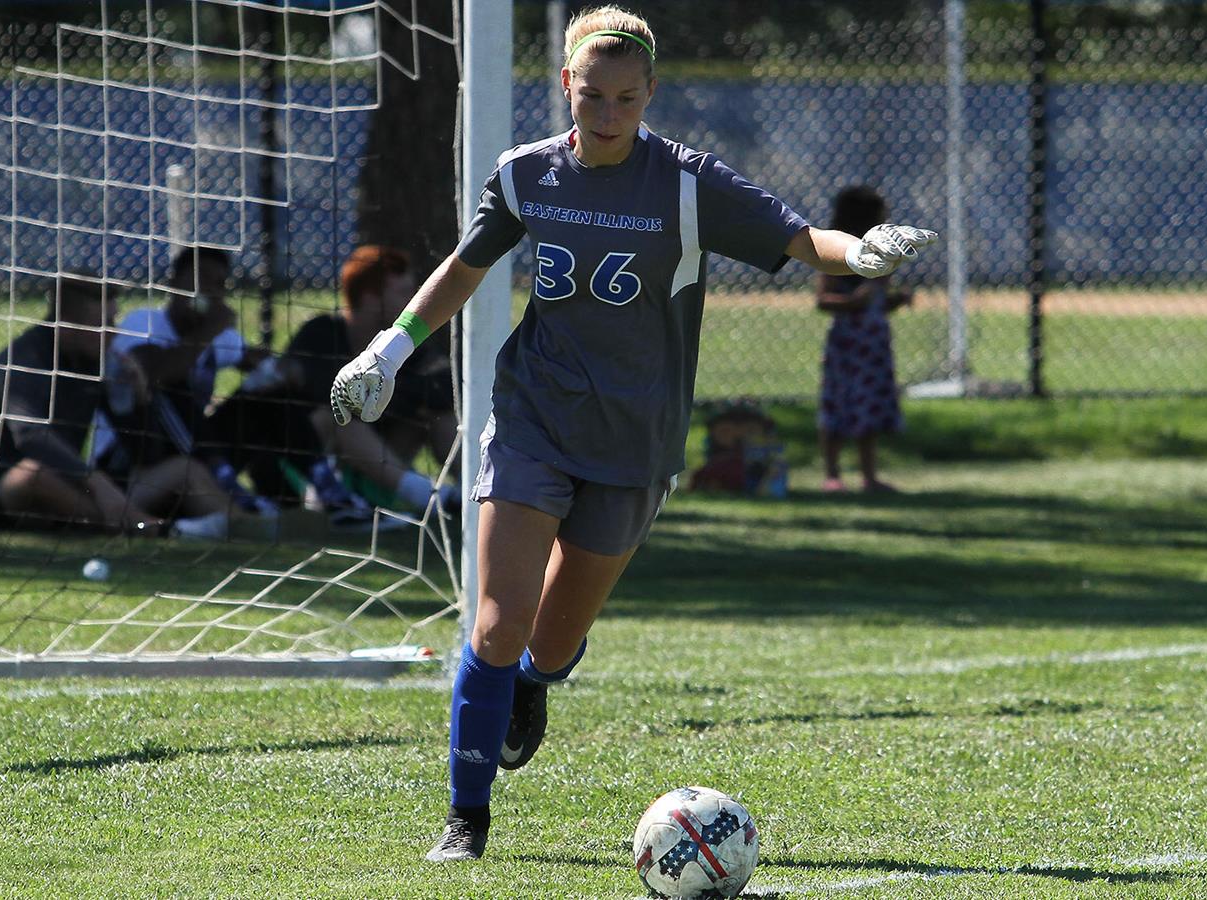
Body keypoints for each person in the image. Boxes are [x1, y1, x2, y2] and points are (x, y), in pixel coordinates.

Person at [328, 6, 937, 862]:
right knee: (499, 621)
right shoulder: (524, 174)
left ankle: (536, 685)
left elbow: (799, 237)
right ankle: (467, 820)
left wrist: (860, 254)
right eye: (592, 96)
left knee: (553, 639)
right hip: (534, 417)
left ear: (650, 93)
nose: (607, 114)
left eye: (626, 98)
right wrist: (388, 352)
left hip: (638, 440)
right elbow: (465, 268)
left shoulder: (688, 184)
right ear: (567, 87)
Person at [92, 245, 377, 532]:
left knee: (271, 395)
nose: (210, 290)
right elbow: (156, 374)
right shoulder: (145, 321)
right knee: (173, 388)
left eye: (219, 284)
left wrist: (282, 371)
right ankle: (233, 492)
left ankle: (330, 491)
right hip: (135, 461)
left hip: (197, 454)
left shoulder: (215, 334)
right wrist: (211, 330)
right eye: (200, 278)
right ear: (173, 282)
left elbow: (261, 363)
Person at [0, 272, 225, 535]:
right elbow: (31, 437)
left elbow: (146, 457)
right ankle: (156, 529)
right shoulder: (25, 359)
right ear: (69, 325)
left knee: (184, 470)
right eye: (104, 323)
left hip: (78, 487)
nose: (114, 332)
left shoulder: (98, 361)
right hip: (0, 496)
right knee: (30, 474)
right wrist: (95, 481)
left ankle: (245, 526)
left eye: (114, 320)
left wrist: (137, 401)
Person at [285, 245, 460, 513]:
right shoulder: (319, 333)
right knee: (341, 416)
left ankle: (477, 491)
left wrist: (390, 395)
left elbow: (442, 388)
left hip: (382, 455)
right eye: (402, 292)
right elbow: (327, 394)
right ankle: (428, 497)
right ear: (369, 297)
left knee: (440, 416)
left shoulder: (404, 344)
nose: (413, 300)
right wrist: (393, 392)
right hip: (317, 457)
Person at [816, 186, 912, 494]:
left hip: (873, 343)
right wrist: (853, 301)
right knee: (840, 403)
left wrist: (893, 300)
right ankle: (833, 474)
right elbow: (823, 300)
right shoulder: (836, 252)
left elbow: (877, 301)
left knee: (869, 406)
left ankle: (869, 475)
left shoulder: (882, 255)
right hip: (848, 343)